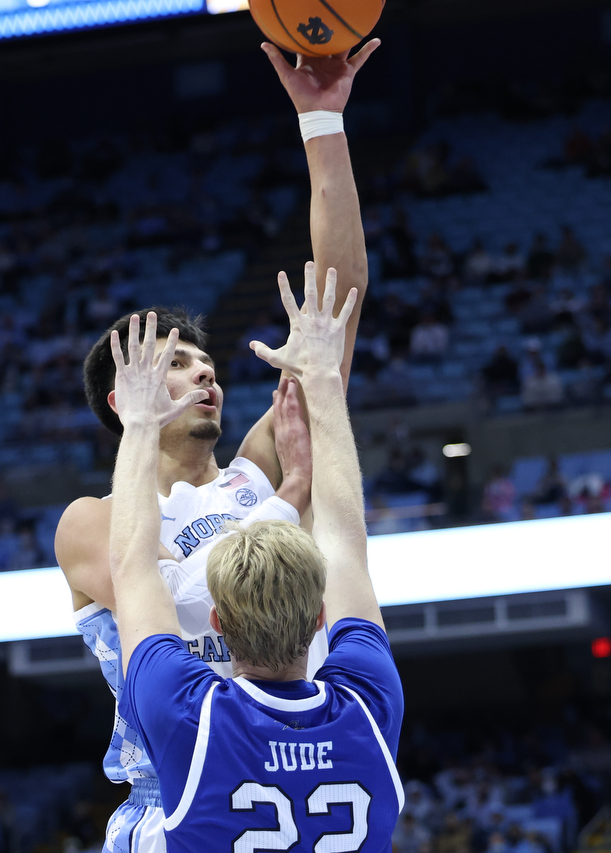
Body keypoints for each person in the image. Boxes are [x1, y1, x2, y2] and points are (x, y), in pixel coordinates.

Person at [55, 39, 379, 853]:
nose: (206, 377)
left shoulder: (251, 468)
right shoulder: (90, 522)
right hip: (169, 798)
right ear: (121, 394)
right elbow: (186, 596)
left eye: (207, 365)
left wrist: (321, 121)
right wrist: (290, 501)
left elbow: (335, 311)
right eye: (175, 366)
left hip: (292, 753)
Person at [108, 274, 402, 852]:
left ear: (216, 625)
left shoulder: (190, 713)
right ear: (321, 619)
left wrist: (139, 423)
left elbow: (132, 566)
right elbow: (344, 538)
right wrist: (322, 380)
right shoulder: (368, 703)